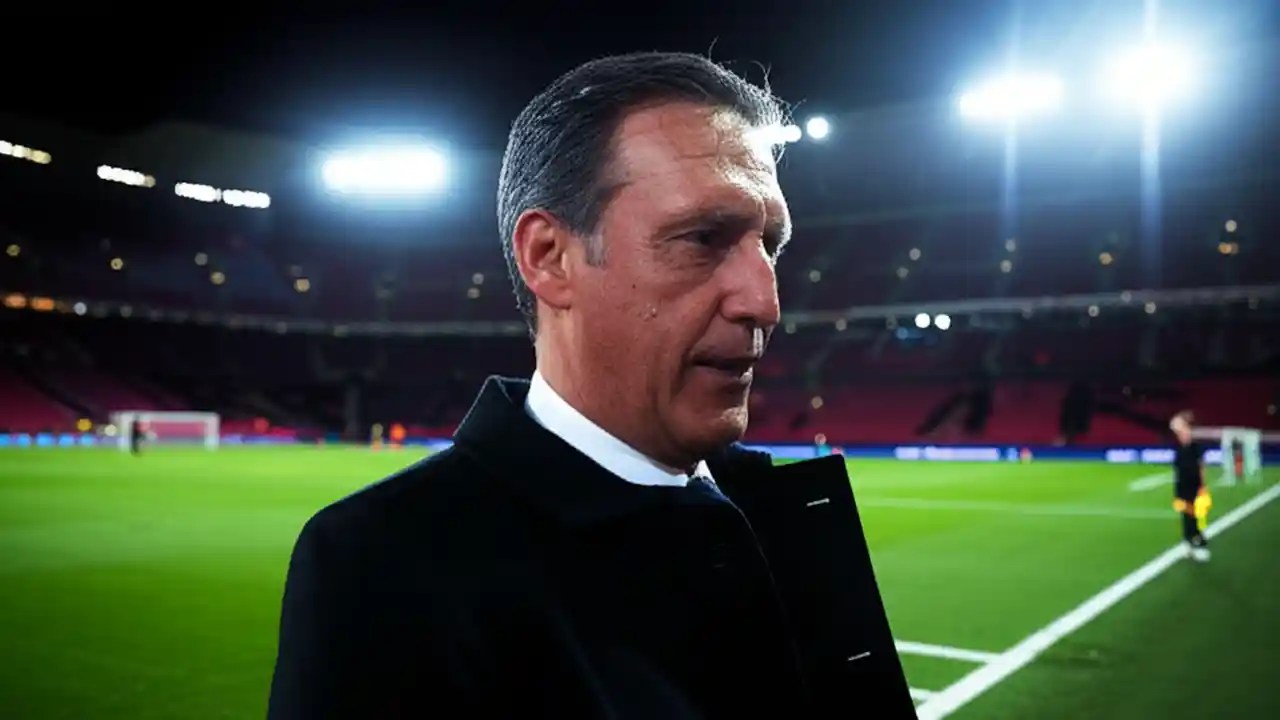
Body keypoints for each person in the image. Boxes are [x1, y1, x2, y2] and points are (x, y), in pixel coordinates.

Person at [267, 52, 914, 719]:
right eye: (702, 238)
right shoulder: (384, 566)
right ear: (550, 258)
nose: (764, 302)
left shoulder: (776, 514)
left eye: (769, 245)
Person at [1170, 410, 1211, 562]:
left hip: (1194, 487)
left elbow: (1201, 466)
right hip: (1181, 487)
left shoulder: (1195, 446)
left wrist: (1202, 486)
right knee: (1185, 517)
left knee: (1196, 517)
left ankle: (1201, 544)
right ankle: (1188, 543)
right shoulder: (1178, 447)